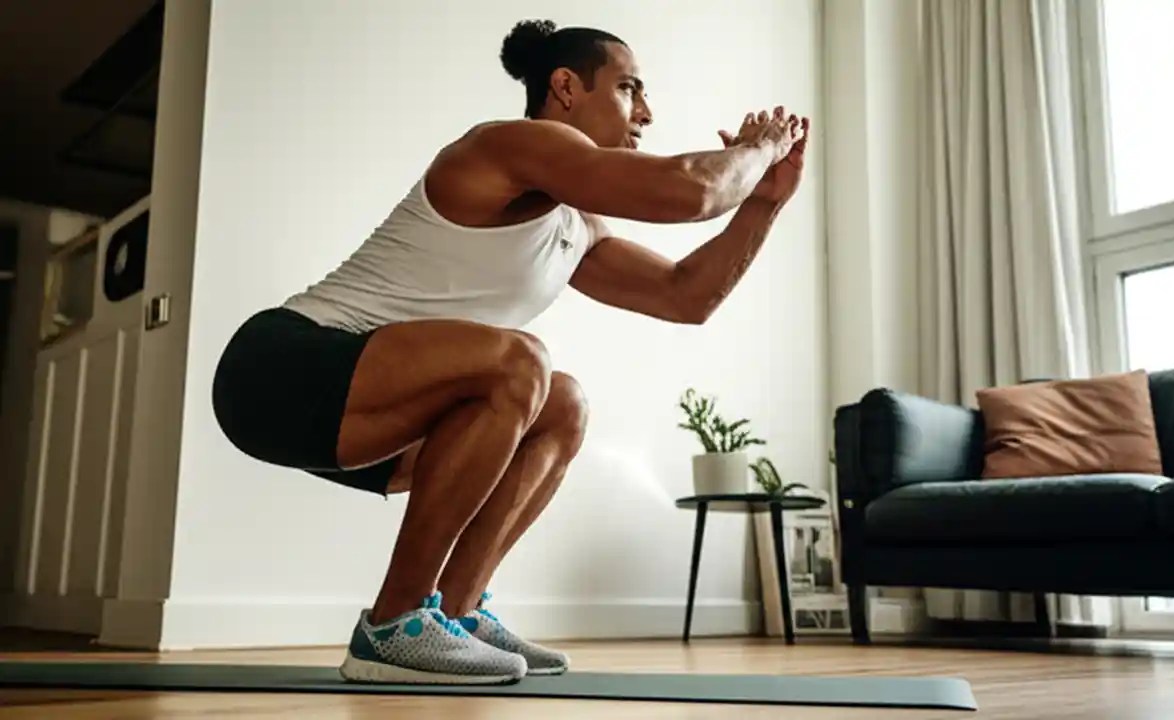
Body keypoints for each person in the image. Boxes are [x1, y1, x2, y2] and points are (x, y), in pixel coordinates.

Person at [211, 18, 810, 685]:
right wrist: (760, 145)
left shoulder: (574, 223)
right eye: (628, 87)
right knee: (522, 360)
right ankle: (393, 625)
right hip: (278, 369)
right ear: (564, 88)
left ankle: (455, 617)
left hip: (366, 409)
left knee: (563, 404)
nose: (646, 111)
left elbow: (685, 296)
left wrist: (762, 203)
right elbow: (690, 191)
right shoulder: (512, 147)